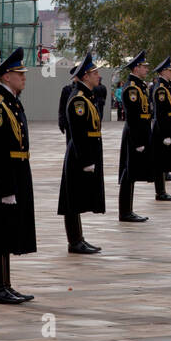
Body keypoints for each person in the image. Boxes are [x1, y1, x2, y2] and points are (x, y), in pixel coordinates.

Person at [0, 48, 36, 305]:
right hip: (4, 179)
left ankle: (5, 284)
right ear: (5, 76)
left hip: (17, 173)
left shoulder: (12, 101)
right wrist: (6, 189)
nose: (24, 77)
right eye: (19, 73)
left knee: (7, 232)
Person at [59, 53, 105, 254]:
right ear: (85, 76)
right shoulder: (79, 100)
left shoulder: (87, 96)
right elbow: (77, 133)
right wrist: (86, 160)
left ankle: (79, 238)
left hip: (84, 153)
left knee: (76, 199)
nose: (98, 76)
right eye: (95, 73)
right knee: (72, 200)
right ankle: (74, 241)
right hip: (79, 156)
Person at [117, 51, 157, 223]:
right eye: (144, 66)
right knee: (128, 173)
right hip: (135, 133)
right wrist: (138, 141)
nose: (146, 69)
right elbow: (133, 117)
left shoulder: (140, 86)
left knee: (131, 173)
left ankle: (128, 210)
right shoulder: (132, 88)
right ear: (136, 68)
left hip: (141, 130)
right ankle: (125, 212)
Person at [149, 57, 171, 199]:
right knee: (160, 161)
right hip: (163, 127)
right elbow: (161, 113)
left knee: (164, 159)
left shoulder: (168, 86)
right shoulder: (161, 89)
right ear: (163, 72)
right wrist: (166, 134)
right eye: (170, 70)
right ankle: (160, 192)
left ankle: (162, 190)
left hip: (170, 123)